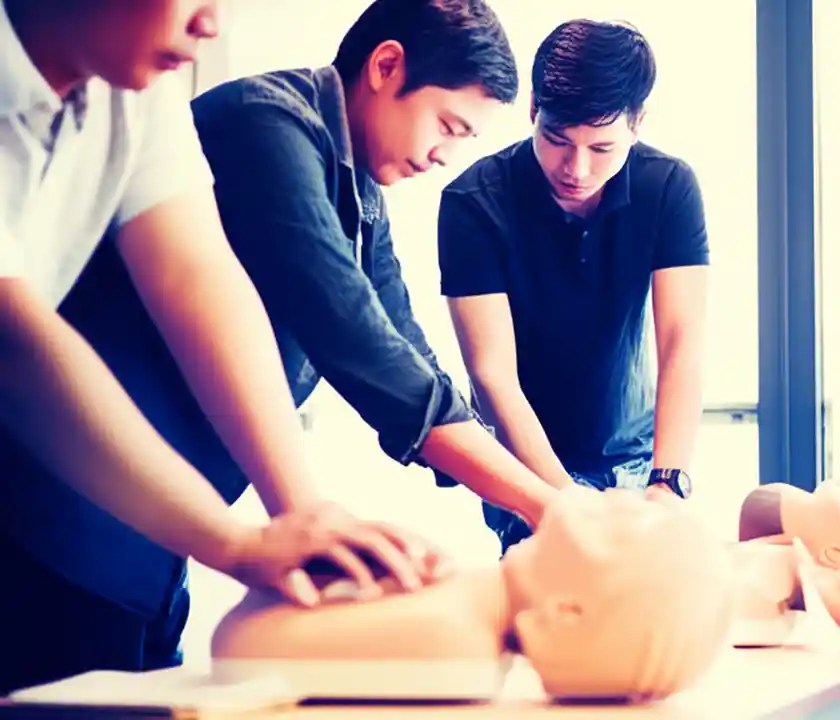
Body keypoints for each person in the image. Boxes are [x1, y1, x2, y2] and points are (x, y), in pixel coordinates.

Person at [0, 0, 436, 695]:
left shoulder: (139, 94)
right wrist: (235, 543)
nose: (212, 24)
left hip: (141, 544)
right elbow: (14, 349)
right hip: (51, 527)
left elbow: (197, 274)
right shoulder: (266, 120)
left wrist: (302, 515)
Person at [438, 19, 711, 554]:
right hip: (522, 463)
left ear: (637, 123)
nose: (577, 169)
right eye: (557, 141)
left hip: (634, 452)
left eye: (602, 148)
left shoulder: (668, 187)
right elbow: (491, 373)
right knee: (557, 589)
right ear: (533, 109)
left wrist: (667, 482)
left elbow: (682, 340)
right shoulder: (473, 202)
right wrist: (563, 501)